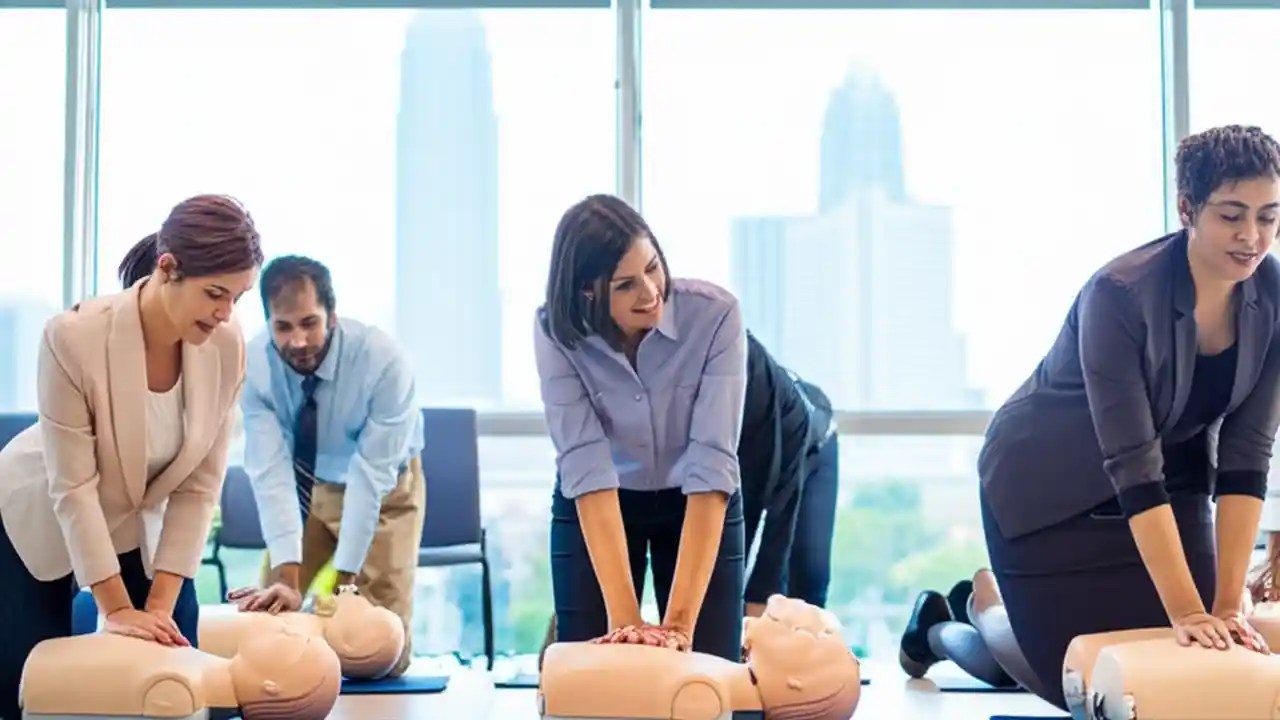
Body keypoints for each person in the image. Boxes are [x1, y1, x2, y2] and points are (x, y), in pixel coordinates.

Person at [977, 124, 1280, 711]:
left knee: (1199, 673)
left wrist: (1223, 606)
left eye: (1269, 216)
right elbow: (1131, 461)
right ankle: (979, 608)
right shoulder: (1117, 294)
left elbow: (1248, 455)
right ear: (1187, 209)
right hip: (1049, 498)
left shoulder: (1275, 298)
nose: (1252, 236)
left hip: (1171, 490)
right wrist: (1187, 610)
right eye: (1231, 215)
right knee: (1083, 688)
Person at [0, 193, 263, 720]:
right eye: (215, 293)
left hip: (139, 520)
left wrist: (158, 606)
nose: (225, 313)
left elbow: (198, 486)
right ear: (168, 269)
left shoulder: (227, 346)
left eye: (237, 297)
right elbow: (72, 487)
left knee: (175, 675)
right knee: (29, 686)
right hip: (39, 516)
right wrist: (116, 609)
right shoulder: (74, 337)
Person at [535, 193, 748, 661]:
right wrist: (626, 623)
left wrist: (678, 627)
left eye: (653, 268)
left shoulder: (716, 317)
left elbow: (712, 461)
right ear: (587, 291)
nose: (651, 293)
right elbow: (586, 464)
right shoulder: (556, 331)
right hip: (600, 499)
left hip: (695, 499)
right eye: (626, 284)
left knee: (711, 673)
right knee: (594, 676)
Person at [230, 255, 425, 678]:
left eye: (309, 323)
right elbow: (271, 474)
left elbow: (369, 478)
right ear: (268, 323)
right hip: (308, 486)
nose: (298, 341)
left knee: (378, 647)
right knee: (271, 618)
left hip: (387, 489)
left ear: (332, 316)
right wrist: (287, 575)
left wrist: (347, 586)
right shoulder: (253, 367)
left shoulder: (384, 362)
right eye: (283, 327)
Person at [739, 332, 839, 616]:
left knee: (809, 576)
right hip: (761, 448)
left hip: (815, 446)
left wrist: (760, 596)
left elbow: (780, 512)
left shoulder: (764, 411)